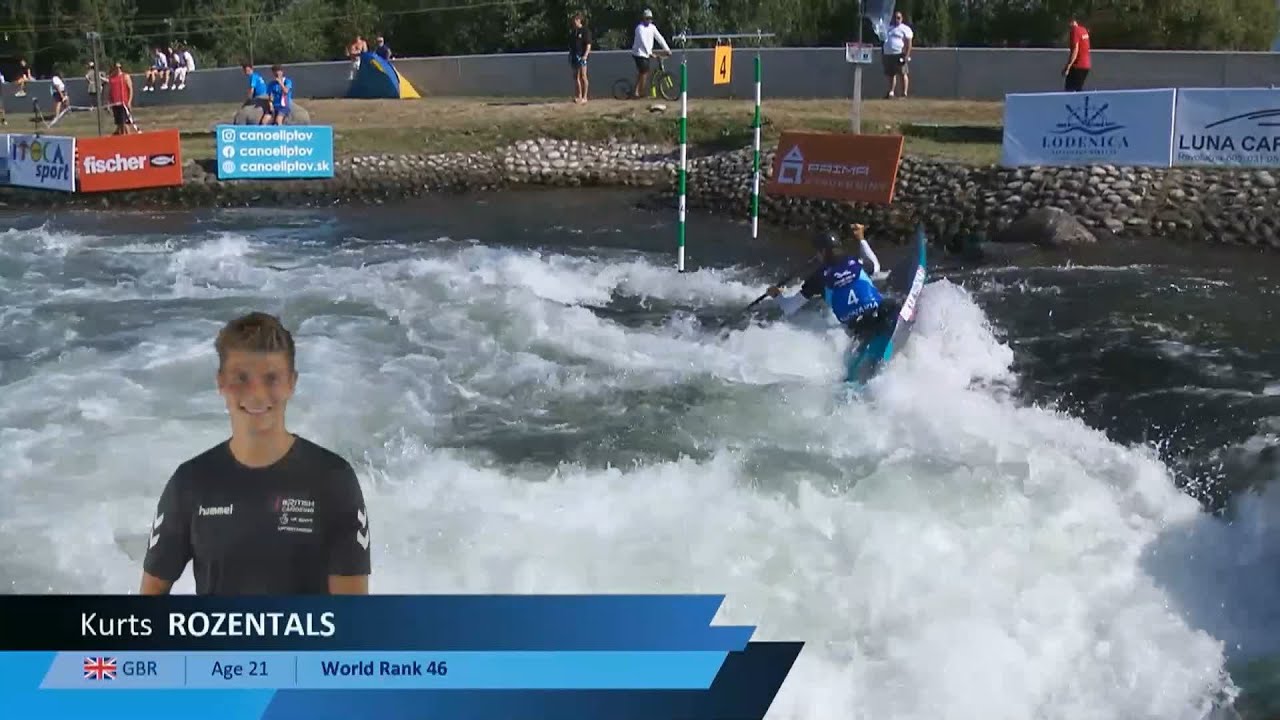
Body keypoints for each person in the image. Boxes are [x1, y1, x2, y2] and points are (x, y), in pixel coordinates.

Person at [140, 311, 372, 596]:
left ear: (292, 382)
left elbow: (353, 617)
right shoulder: (189, 482)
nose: (257, 394)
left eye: (272, 378)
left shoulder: (334, 481)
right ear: (221, 382)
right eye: (241, 378)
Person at [765, 224, 896, 341]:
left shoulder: (817, 278)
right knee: (890, 305)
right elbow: (876, 266)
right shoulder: (857, 262)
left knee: (859, 326)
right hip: (879, 313)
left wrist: (777, 295)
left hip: (855, 328)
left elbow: (789, 308)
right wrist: (861, 239)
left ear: (822, 252)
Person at [630, 8, 671, 99]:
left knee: (642, 72)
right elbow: (643, 41)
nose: (649, 20)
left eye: (650, 18)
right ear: (643, 18)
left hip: (646, 53)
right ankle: (641, 92)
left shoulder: (652, 27)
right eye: (647, 18)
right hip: (639, 53)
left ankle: (636, 91)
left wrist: (667, 49)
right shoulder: (639, 28)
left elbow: (659, 38)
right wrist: (650, 53)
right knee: (645, 71)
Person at [1063, 16, 1091, 92]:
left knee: (1069, 90)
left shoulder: (1074, 31)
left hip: (1078, 65)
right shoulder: (1083, 30)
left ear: (1071, 22)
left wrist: (1068, 67)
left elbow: (1075, 50)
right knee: (1078, 89)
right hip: (1086, 65)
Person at [569, 13, 593, 104]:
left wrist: (585, 55)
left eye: (575, 20)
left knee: (583, 76)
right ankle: (579, 96)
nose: (574, 22)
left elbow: (588, 45)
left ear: (579, 20)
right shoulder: (573, 32)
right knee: (576, 76)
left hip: (582, 56)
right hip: (575, 56)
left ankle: (585, 97)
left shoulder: (585, 31)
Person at [105, 63, 134, 135]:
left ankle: (128, 137)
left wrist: (129, 101)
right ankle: (119, 136)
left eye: (119, 67)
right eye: (116, 67)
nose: (118, 69)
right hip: (115, 103)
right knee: (119, 123)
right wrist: (108, 103)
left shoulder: (125, 76)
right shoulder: (111, 78)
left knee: (125, 123)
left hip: (123, 103)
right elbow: (109, 91)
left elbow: (130, 89)